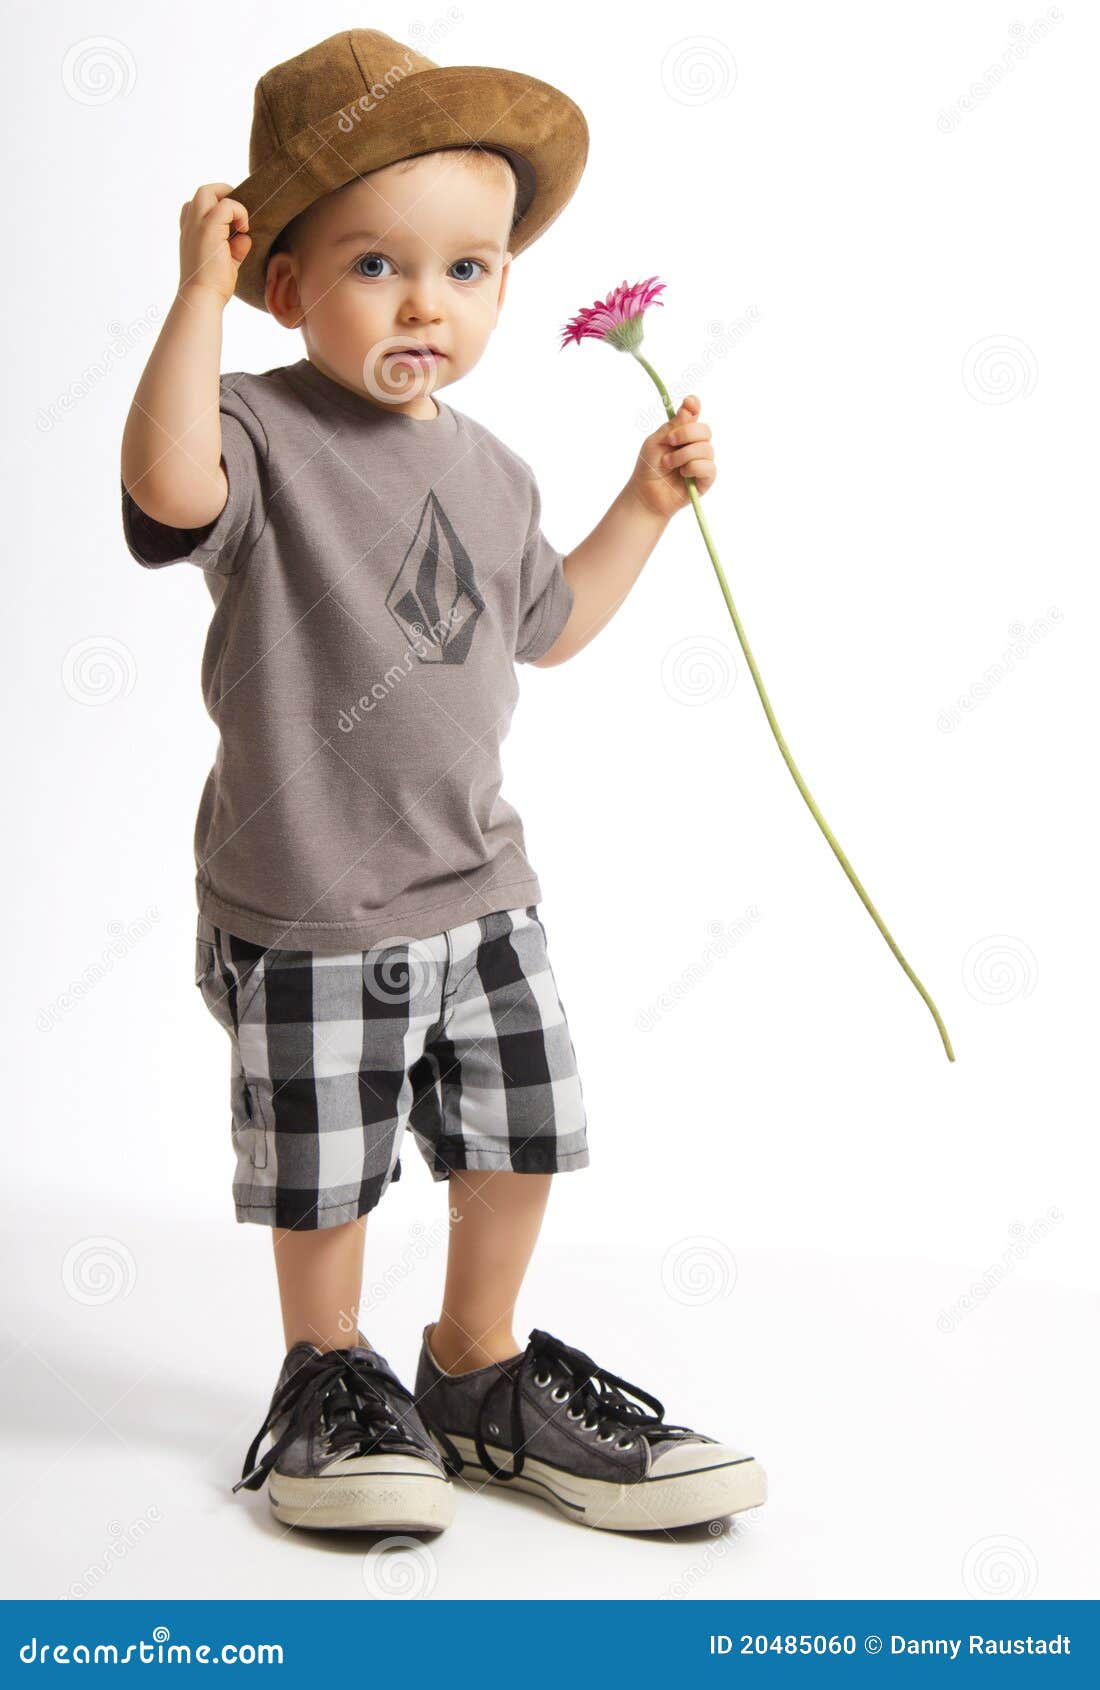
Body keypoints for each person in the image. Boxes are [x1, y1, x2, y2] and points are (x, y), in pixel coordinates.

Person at [120, 27, 764, 1536]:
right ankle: (328, 1377)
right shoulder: (256, 432)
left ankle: (476, 1372)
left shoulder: (491, 469)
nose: (427, 302)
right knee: (327, 1170)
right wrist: (193, 301)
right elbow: (162, 488)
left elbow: (553, 626)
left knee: (522, 1130)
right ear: (284, 285)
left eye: (468, 270)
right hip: (312, 900)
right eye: (374, 268)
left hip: (482, 883)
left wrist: (644, 504)